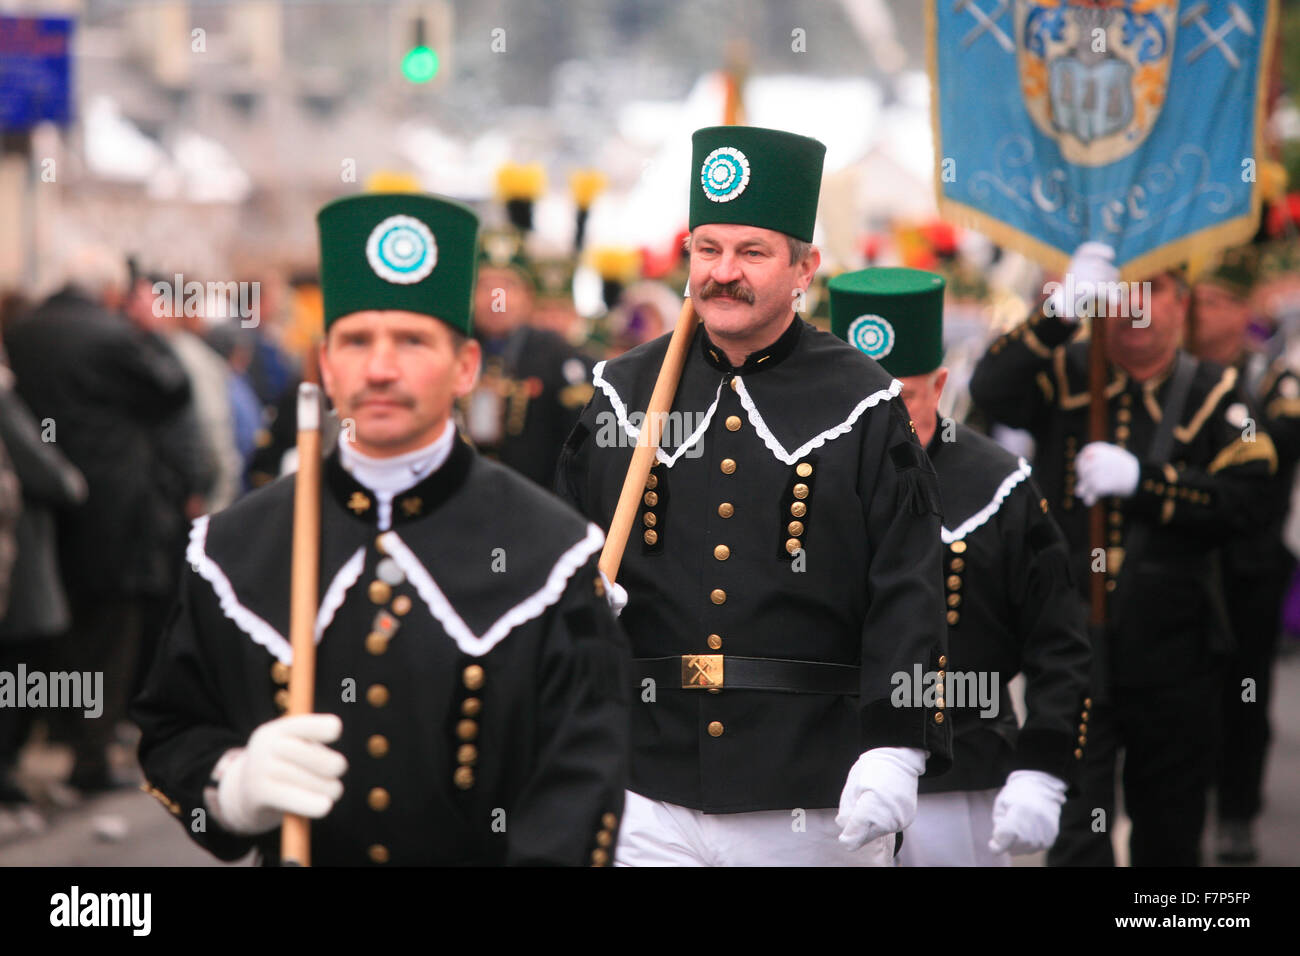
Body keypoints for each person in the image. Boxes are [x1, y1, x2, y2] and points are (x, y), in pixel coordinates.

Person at [133, 193, 629, 866]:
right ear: (326, 364)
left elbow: (580, 782)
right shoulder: (232, 548)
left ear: (465, 367)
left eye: (413, 341)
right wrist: (230, 787)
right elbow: (171, 732)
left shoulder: (554, 551)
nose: (381, 368)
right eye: (357, 340)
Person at [557, 126, 951, 866]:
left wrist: (897, 742)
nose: (723, 273)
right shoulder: (619, 395)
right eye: (707, 250)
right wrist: (575, 600)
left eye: (752, 253)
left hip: (809, 788)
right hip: (646, 783)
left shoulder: (864, 402)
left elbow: (907, 587)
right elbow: (560, 547)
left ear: (806, 268)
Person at [969, 242, 1276, 866]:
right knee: (1076, 832)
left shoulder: (1219, 391)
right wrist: (1061, 311)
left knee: (1170, 833)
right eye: (1122, 290)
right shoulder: (1065, 372)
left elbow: (1249, 499)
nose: (1136, 306)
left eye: (1154, 288)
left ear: (1181, 302)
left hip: (1178, 650)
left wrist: (1147, 484)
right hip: (1073, 649)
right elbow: (990, 389)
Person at [829, 266, 1091, 866]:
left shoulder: (1000, 484)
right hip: (825, 780)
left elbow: (1060, 643)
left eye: (903, 400)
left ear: (941, 384)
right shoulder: (799, 474)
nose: (882, 427)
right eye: (861, 403)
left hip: (961, 776)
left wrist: (1043, 767)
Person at [4, 244, 192, 793]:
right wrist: (150, 329)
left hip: (43, 513)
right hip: (114, 512)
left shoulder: (23, 332)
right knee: (110, 637)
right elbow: (172, 392)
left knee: (47, 632)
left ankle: (40, 739)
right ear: (113, 292)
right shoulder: (116, 338)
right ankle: (89, 754)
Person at [1190, 245, 1300, 863]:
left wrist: (1230, 425)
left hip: (1249, 565)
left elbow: (1285, 436)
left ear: (1243, 311)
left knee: (1245, 694)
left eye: (1219, 302)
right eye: (1197, 301)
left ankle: (1237, 812)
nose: (1205, 313)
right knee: (1175, 693)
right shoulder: (1172, 375)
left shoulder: (1269, 376)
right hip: (1183, 565)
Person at [463, 246, 594, 488]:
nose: (496, 298)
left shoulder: (557, 355)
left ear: (528, 297)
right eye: (485, 286)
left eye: (507, 286)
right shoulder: (455, 348)